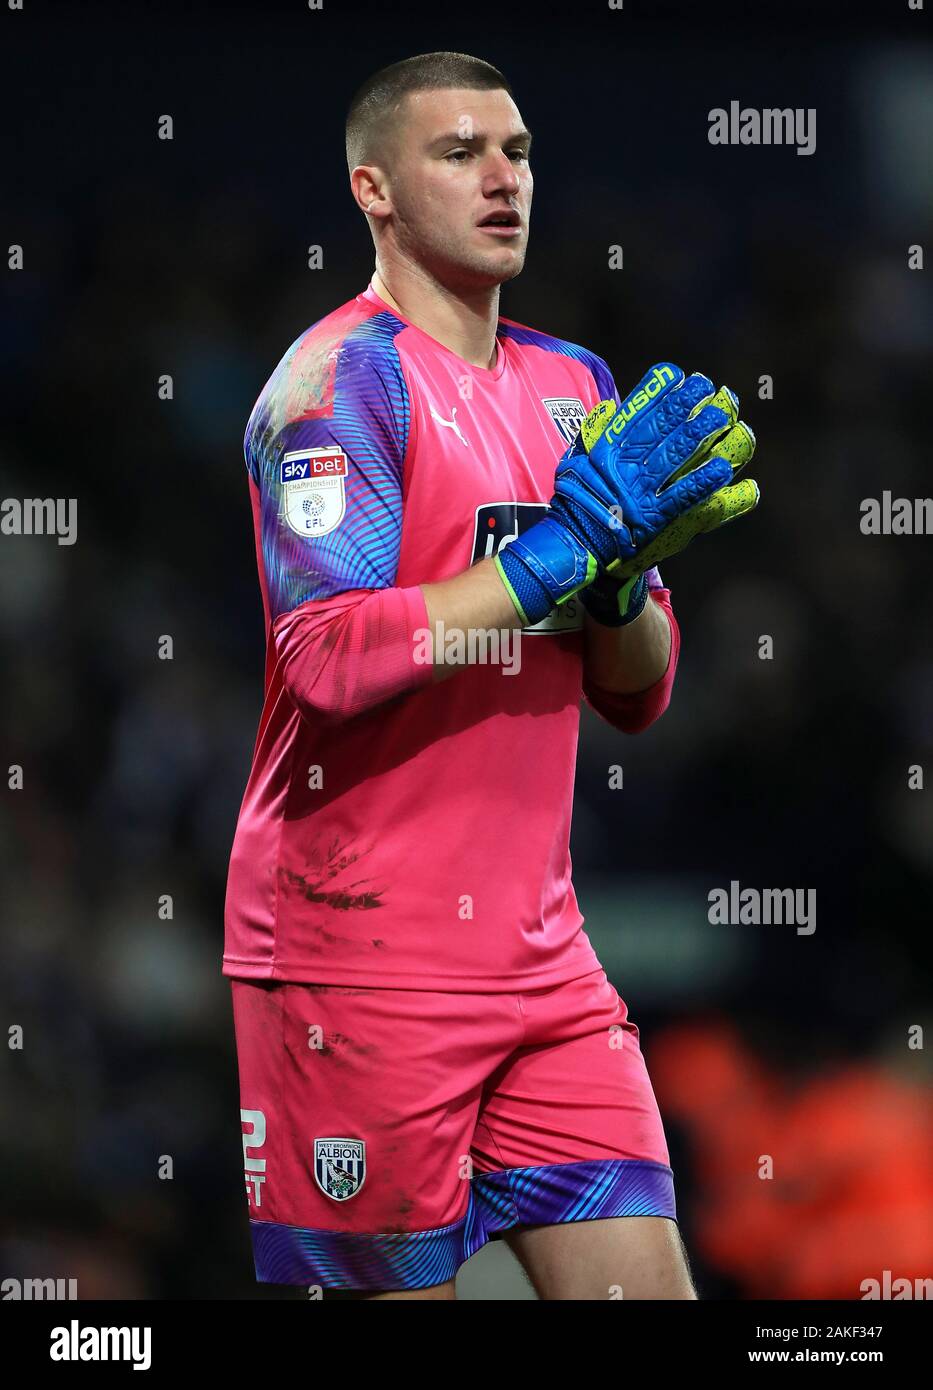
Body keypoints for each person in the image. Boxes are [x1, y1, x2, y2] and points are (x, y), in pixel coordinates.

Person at [224, 50, 756, 1300]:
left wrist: (618, 585)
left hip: (546, 969)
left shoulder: (579, 390)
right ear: (377, 191)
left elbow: (639, 689)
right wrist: (561, 555)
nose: (501, 178)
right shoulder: (335, 386)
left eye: (516, 152)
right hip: (358, 962)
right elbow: (328, 659)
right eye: (458, 154)